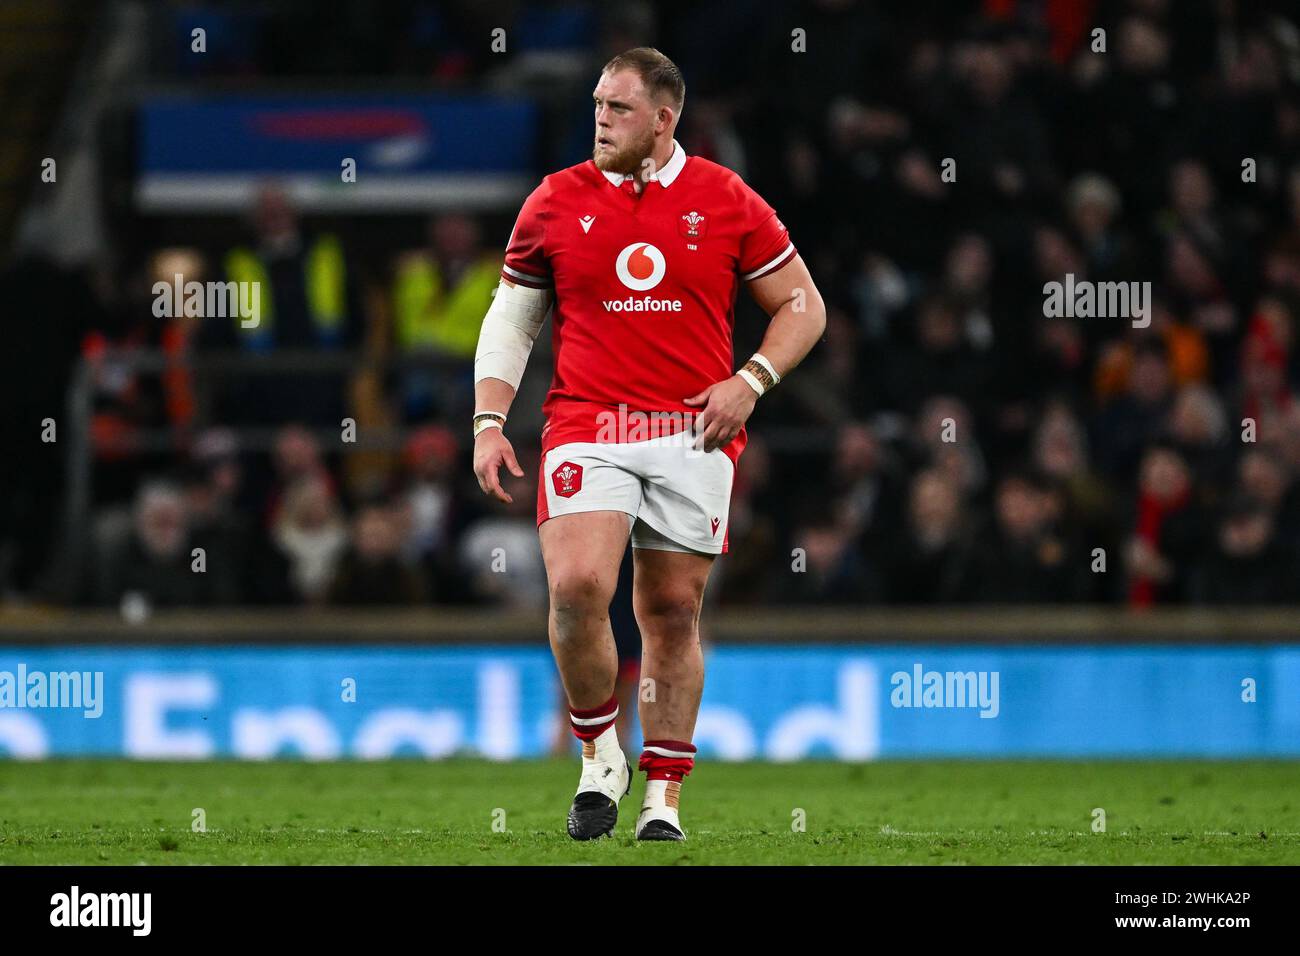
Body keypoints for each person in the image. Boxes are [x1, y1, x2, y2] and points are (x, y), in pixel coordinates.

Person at [470, 48, 825, 841]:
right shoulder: (555, 201)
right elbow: (511, 319)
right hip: (588, 423)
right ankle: (601, 754)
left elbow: (804, 307)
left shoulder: (727, 200)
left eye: (619, 108)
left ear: (665, 120)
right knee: (576, 587)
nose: (600, 118)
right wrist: (488, 422)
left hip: (692, 428)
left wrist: (752, 381)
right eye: (597, 103)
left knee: (669, 610)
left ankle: (663, 798)